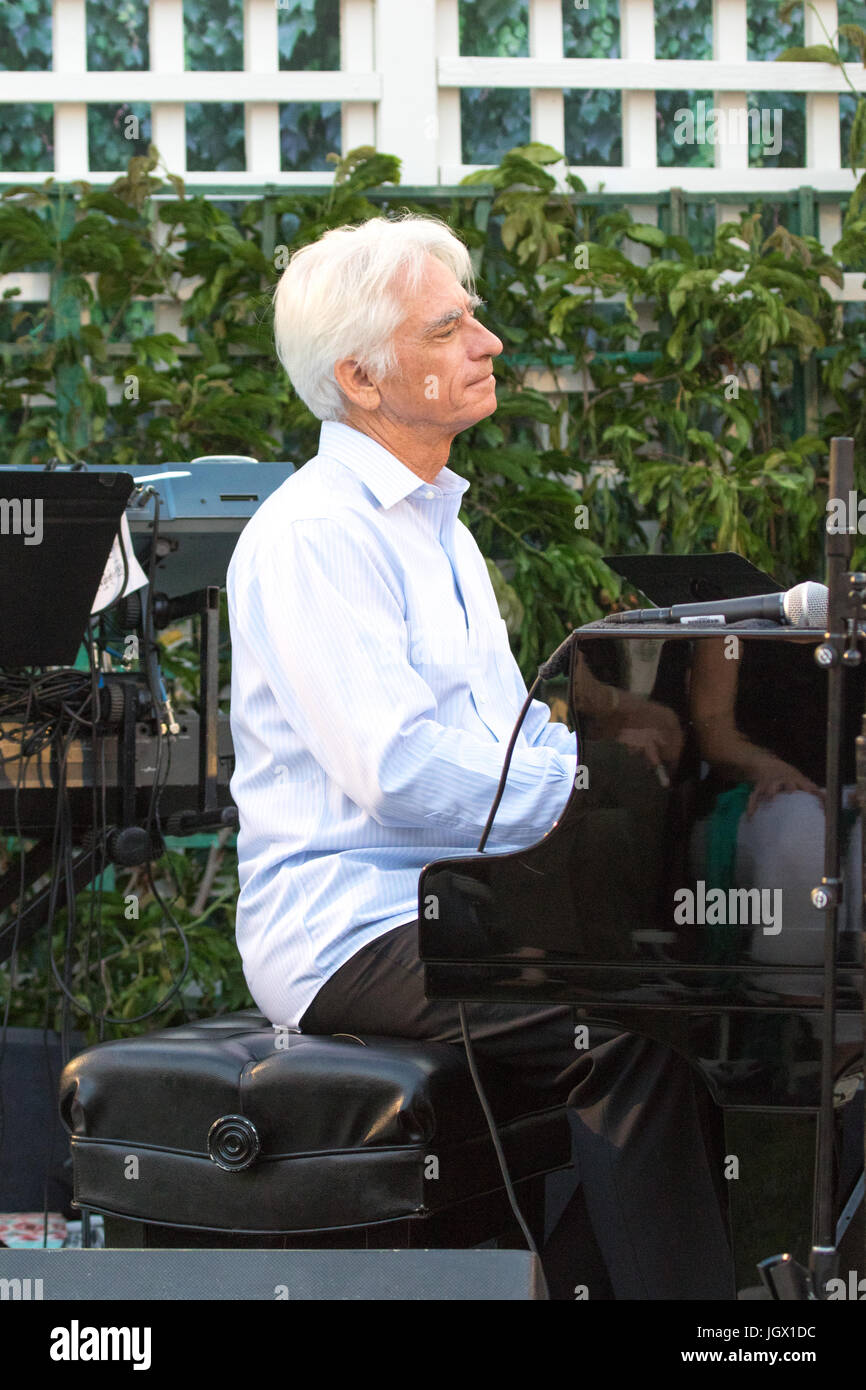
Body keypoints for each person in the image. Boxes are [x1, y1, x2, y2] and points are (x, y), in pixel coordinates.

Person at [226, 213, 735, 1299]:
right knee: (632, 1033)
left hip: (460, 902)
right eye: (449, 325)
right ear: (362, 376)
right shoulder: (315, 532)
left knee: (709, 1009)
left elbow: (499, 743)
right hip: (353, 926)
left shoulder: (436, 527)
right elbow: (401, 770)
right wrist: (593, 785)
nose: (487, 341)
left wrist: (582, 769)